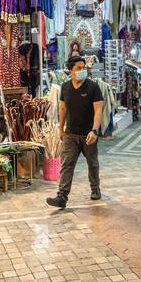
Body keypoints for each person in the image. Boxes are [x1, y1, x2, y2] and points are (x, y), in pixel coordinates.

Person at [47, 56, 104, 208]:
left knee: (92, 164)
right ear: (70, 70)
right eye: (78, 68)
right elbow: (62, 108)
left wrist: (94, 130)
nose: (82, 71)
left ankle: (95, 189)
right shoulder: (65, 87)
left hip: (88, 135)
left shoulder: (93, 87)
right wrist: (60, 129)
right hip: (70, 134)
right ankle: (62, 197)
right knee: (67, 165)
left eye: (83, 68)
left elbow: (98, 109)